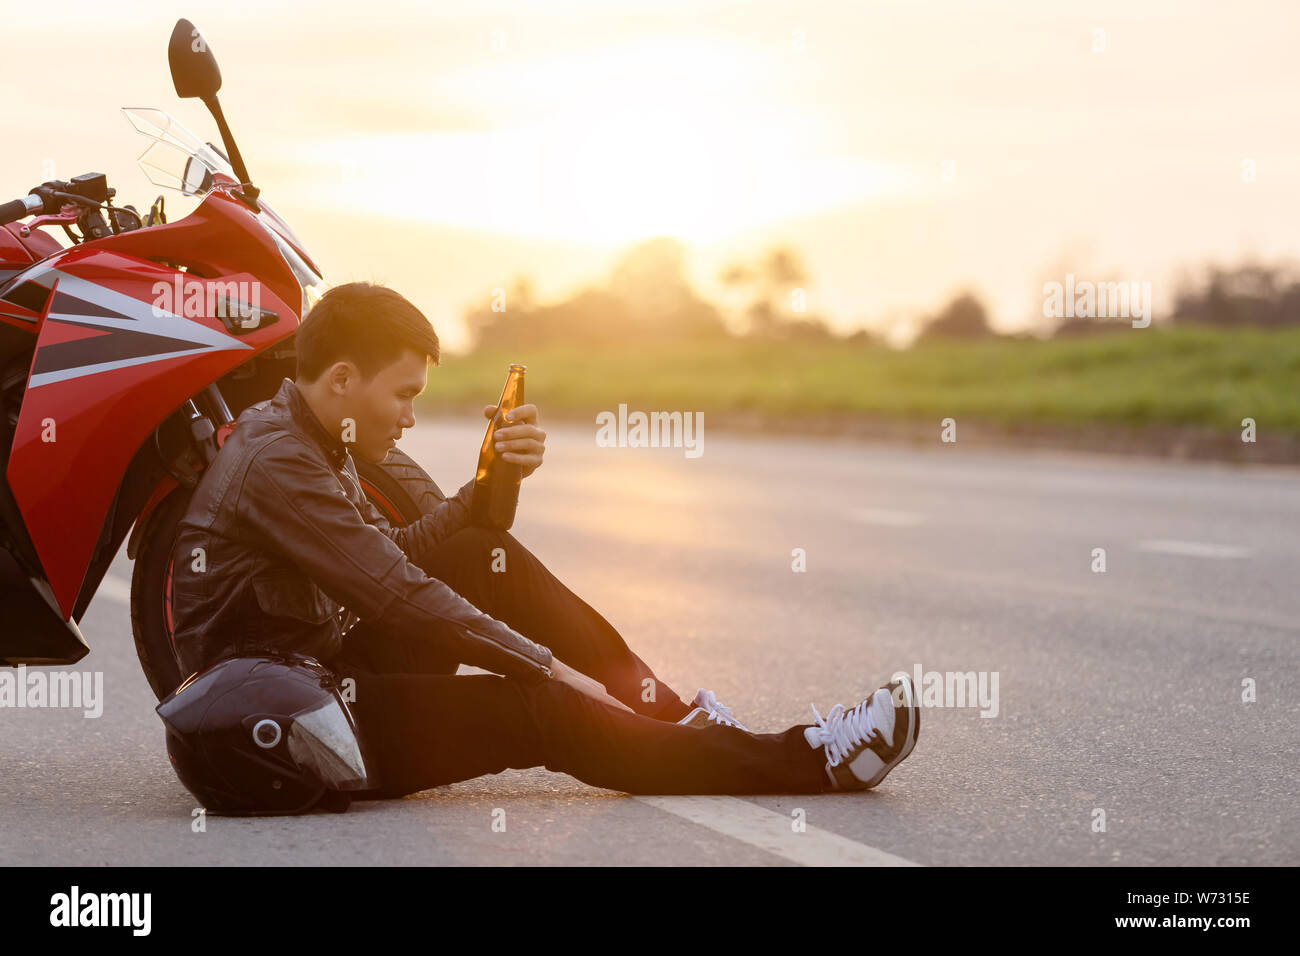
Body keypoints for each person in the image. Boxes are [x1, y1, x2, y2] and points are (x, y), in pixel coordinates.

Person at [167, 281, 920, 803]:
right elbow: (396, 591)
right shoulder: (279, 461)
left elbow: (416, 556)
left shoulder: (312, 436)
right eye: (403, 396)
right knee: (543, 710)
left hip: (327, 667)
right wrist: (551, 668)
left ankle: (676, 717)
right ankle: (813, 758)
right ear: (340, 380)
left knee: (479, 558)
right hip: (297, 727)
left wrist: (492, 482)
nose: (410, 418)